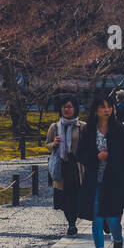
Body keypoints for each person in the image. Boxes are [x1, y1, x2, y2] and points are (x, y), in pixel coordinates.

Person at [77, 96, 124, 248]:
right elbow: (80, 154)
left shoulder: (119, 129)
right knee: (96, 218)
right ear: (96, 109)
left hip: (116, 180)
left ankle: (118, 239)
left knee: (113, 220)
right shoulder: (88, 130)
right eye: (102, 107)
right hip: (95, 180)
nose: (106, 110)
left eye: (109, 106)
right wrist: (96, 157)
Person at [46, 99, 84, 236]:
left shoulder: (82, 126)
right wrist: (54, 144)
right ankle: (71, 223)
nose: (66, 109)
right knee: (65, 196)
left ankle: (73, 222)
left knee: (75, 195)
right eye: (63, 107)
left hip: (77, 165)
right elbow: (47, 145)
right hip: (61, 166)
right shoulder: (54, 127)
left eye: (69, 107)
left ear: (75, 109)